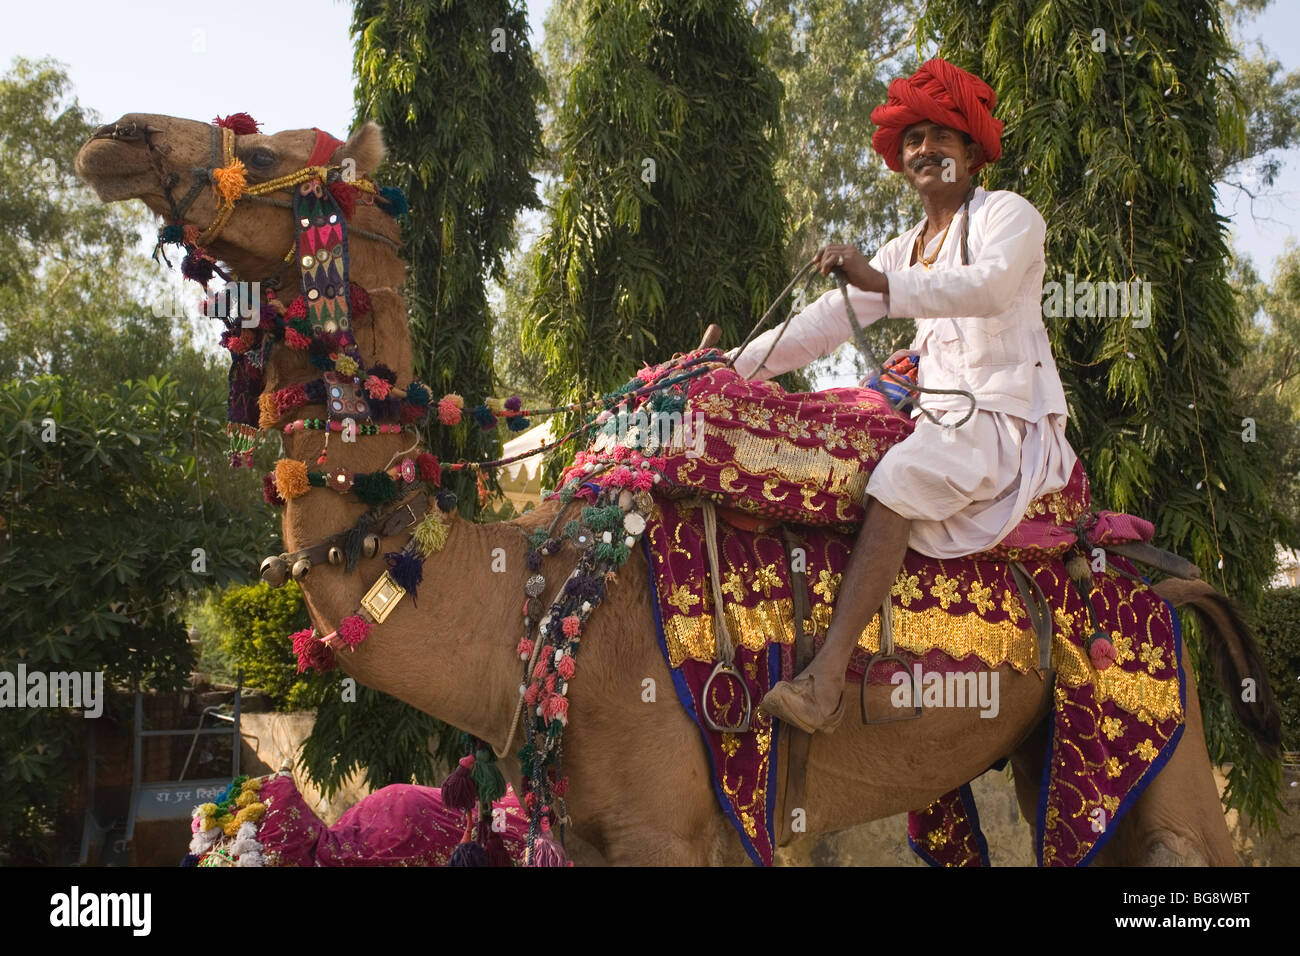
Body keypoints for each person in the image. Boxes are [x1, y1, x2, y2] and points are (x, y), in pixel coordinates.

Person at [729, 57, 1077, 734]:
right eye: (913, 139)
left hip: (1003, 421)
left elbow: (991, 287)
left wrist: (884, 287)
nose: (925, 149)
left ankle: (826, 680)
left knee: (895, 480)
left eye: (941, 137)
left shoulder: (1009, 215)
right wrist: (724, 366)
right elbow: (819, 327)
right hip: (937, 421)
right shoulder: (903, 248)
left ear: (971, 154)